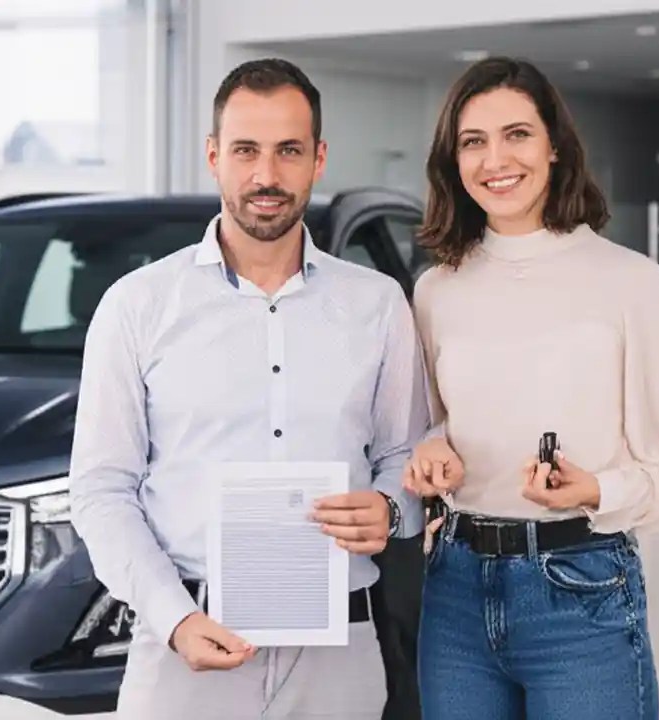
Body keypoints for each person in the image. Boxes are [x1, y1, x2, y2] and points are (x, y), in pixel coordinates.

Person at [69, 57, 429, 719]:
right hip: (184, 642)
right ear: (214, 156)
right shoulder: (138, 306)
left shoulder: (378, 305)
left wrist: (389, 507)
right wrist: (173, 617)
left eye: (288, 150)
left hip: (339, 650)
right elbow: (100, 488)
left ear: (319, 159)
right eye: (246, 151)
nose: (266, 176)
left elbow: (406, 457)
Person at [405, 56, 659, 720]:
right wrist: (430, 455)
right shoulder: (436, 289)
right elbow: (429, 429)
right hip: (454, 589)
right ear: (453, 161)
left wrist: (595, 489)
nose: (495, 159)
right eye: (473, 141)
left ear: (556, 148)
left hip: (581, 587)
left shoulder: (629, 281)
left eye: (517, 134)